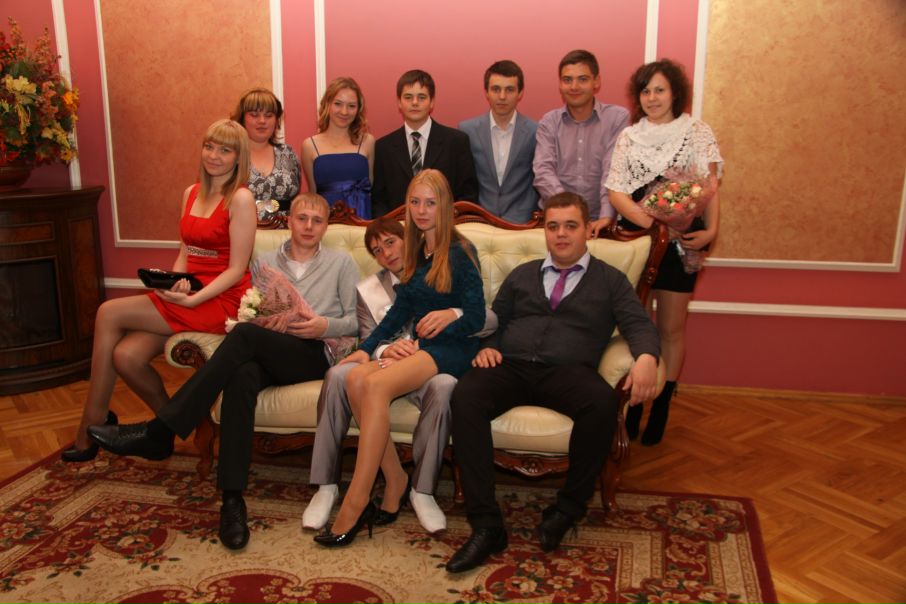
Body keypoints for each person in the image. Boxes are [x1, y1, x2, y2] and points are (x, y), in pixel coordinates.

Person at [88, 193, 359, 551]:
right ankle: (232, 501)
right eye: (302, 218)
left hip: (314, 353)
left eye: (317, 221)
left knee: (244, 337)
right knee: (241, 376)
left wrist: (324, 325)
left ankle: (161, 430)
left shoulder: (341, 263)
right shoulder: (264, 263)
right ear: (289, 221)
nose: (309, 226)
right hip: (269, 349)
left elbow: (357, 321)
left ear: (326, 227)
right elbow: (250, 309)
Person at [445, 192, 660, 573]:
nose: (561, 234)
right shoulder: (523, 273)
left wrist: (646, 358)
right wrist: (488, 347)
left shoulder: (610, 280)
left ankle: (567, 509)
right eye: (553, 226)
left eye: (570, 226)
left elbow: (639, 324)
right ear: (545, 231)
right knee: (466, 396)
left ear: (587, 230)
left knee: (602, 403)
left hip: (569, 372)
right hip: (511, 366)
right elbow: (496, 320)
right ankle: (486, 523)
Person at [61, 119, 257, 463]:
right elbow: (185, 252)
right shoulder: (191, 192)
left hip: (220, 299)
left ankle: (90, 424)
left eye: (225, 150)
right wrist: (171, 284)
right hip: (187, 293)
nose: (214, 155)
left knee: (108, 312)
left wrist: (194, 299)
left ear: (238, 157)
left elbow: (236, 269)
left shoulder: (240, 198)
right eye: (209, 146)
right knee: (126, 357)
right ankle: (165, 430)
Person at [313, 169, 486, 547]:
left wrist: (448, 317)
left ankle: (357, 500)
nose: (422, 210)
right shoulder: (417, 252)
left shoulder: (460, 251)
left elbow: (476, 317)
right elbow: (397, 314)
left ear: (445, 206)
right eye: (415, 202)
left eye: (430, 203)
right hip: (424, 348)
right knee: (355, 378)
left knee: (374, 385)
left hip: (453, 349)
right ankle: (395, 479)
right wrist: (364, 350)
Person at [605, 59, 722, 445]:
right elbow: (616, 190)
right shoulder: (629, 137)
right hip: (638, 242)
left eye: (659, 90)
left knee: (671, 328)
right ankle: (636, 403)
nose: (652, 98)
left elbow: (709, 186)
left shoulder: (695, 131)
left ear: (675, 93)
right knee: (637, 327)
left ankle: (662, 404)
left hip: (681, 243)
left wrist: (711, 231)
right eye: (645, 91)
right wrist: (650, 222)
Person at [533, 49, 629, 237]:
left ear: (597, 82)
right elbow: (543, 171)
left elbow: (613, 170)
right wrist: (571, 214)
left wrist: (605, 216)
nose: (574, 86)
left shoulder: (617, 118)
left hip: (603, 222)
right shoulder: (549, 122)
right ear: (560, 84)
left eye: (582, 79)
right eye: (567, 80)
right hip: (557, 221)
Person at [371, 70, 478, 216]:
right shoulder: (383, 147)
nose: (415, 103)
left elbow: (468, 194)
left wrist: (448, 220)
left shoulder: (456, 142)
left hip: (445, 225)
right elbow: (378, 200)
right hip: (398, 226)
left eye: (421, 97)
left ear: (432, 102)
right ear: (399, 102)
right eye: (408, 97)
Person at [459, 60, 539, 223]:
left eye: (509, 89)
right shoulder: (467, 130)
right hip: (479, 220)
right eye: (496, 89)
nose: (502, 96)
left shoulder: (536, 131)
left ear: (520, 93)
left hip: (522, 222)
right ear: (486, 92)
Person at [300, 77, 375, 218]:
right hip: (326, 221)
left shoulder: (368, 141)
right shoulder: (309, 145)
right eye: (338, 104)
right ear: (327, 104)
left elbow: (371, 186)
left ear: (358, 109)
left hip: (361, 219)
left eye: (351, 106)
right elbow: (313, 192)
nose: (344, 112)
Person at [232, 87, 301, 212]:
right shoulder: (231, 154)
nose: (262, 121)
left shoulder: (287, 153)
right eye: (254, 115)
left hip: (286, 224)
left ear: (276, 120)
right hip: (241, 223)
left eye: (268, 115)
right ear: (242, 118)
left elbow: (296, 200)